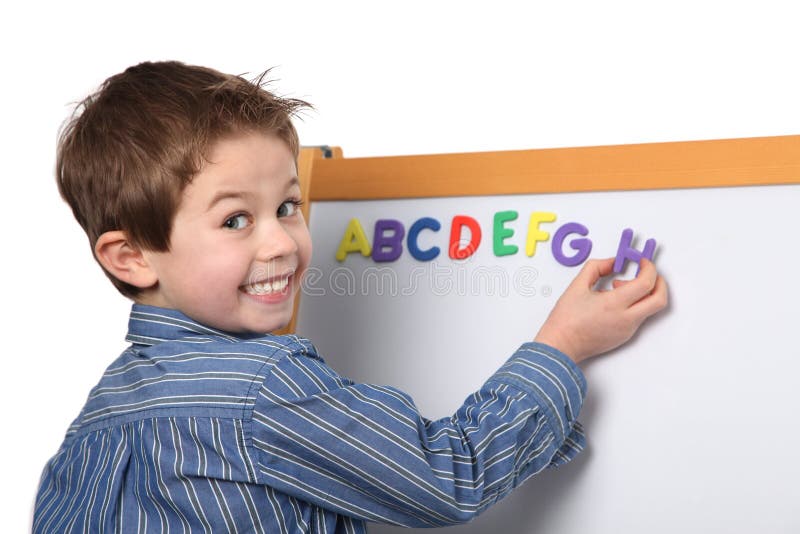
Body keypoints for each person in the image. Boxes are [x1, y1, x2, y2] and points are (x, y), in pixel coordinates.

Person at [33, 60, 668, 533]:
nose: (281, 241)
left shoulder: (96, 421)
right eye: (235, 220)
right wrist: (563, 345)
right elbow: (450, 477)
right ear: (131, 256)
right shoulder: (264, 386)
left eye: (287, 205)